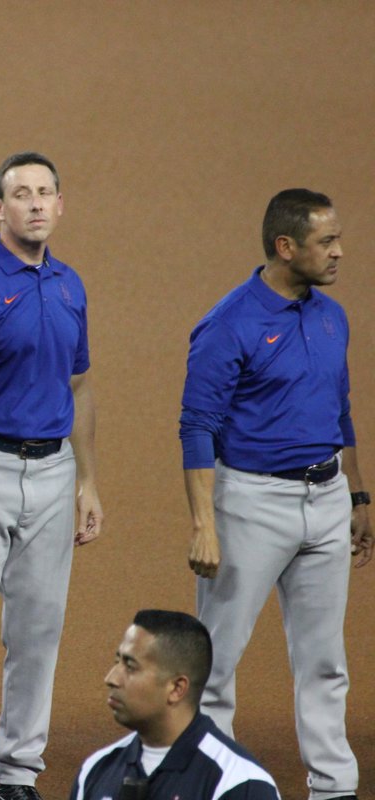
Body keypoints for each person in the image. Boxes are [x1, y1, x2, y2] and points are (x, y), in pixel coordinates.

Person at [180, 188, 369, 800]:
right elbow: (197, 426)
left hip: (327, 498)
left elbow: (340, 411)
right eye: (326, 242)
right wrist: (205, 523)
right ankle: (216, 785)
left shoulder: (329, 315)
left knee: (324, 661)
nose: (339, 252)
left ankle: (334, 788)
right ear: (286, 248)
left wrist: (358, 496)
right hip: (251, 506)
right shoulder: (230, 322)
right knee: (216, 660)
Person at [0, 152, 103, 800]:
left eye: (45, 193)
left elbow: (79, 386)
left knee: (38, 630)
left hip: (54, 471)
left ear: (60, 205)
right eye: (21, 194)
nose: (35, 203)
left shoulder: (69, 286)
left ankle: (17, 773)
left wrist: (88, 480)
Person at [70, 610, 280, 800]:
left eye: (130, 666)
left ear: (177, 689)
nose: (111, 678)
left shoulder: (240, 785)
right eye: (117, 662)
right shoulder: (95, 771)